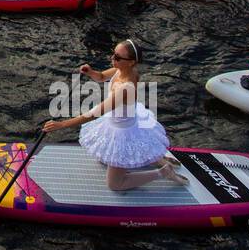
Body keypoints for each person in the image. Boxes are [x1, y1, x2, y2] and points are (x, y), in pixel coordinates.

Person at [43, 39, 188, 191]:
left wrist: (62, 125)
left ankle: (163, 172)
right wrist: (91, 72)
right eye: (113, 54)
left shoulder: (126, 87)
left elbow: (96, 113)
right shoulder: (122, 70)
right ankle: (159, 159)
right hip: (120, 119)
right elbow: (101, 77)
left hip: (123, 131)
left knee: (115, 185)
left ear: (131, 62)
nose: (112, 59)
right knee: (105, 159)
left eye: (117, 58)